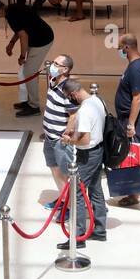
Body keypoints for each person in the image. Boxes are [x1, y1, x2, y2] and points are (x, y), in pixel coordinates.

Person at [60, 78, 108, 247]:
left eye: (68, 97)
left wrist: (68, 140)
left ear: (73, 94)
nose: (69, 100)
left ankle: (78, 237)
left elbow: (85, 139)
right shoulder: (97, 101)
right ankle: (100, 230)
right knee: (96, 191)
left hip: (87, 155)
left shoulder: (85, 111)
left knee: (78, 194)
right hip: (99, 151)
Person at [0, 0, 54, 116]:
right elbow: (20, 30)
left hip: (42, 41)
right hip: (37, 39)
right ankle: (28, 102)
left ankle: (34, 106)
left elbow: (23, 36)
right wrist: (11, 43)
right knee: (27, 72)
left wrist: (22, 57)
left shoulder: (12, 15)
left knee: (29, 72)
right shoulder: (11, 10)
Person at [107, 33, 140, 205]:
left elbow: (137, 98)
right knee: (128, 152)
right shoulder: (136, 64)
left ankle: (135, 193)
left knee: (132, 153)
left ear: (127, 47)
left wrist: (131, 123)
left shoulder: (137, 68)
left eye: (119, 47)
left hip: (134, 120)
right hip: (127, 118)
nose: (119, 50)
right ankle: (133, 190)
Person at [40, 53, 77, 204]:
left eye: (56, 64)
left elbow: (74, 114)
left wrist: (67, 133)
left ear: (65, 69)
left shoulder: (68, 88)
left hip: (60, 140)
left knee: (65, 173)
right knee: (54, 168)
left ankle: (71, 206)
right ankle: (64, 199)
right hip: (49, 137)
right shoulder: (52, 81)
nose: (52, 66)